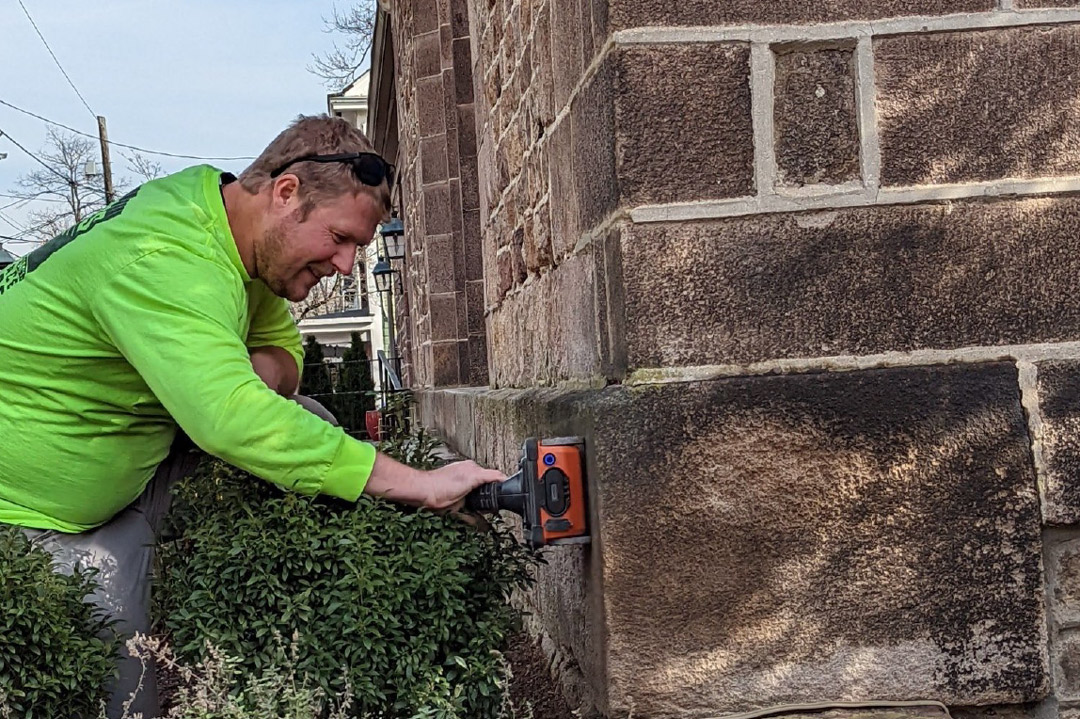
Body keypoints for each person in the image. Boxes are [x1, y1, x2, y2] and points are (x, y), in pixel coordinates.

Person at [0, 115, 504, 717]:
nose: (347, 266)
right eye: (339, 239)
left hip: (132, 461)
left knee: (307, 415)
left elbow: (284, 362)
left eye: (358, 249)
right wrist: (420, 486)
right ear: (286, 193)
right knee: (123, 699)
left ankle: (304, 644)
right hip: (37, 512)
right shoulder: (164, 257)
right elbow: (232, 421)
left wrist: (211, 386)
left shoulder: (235, 233)